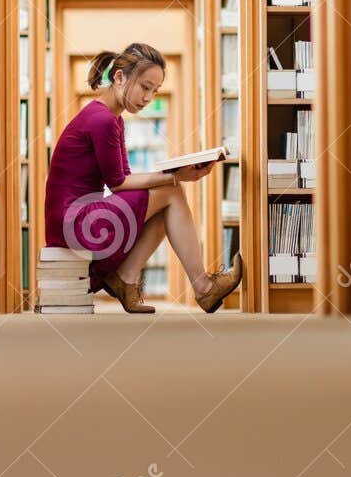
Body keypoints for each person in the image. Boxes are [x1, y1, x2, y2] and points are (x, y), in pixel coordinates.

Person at [44, 41, 243, 315]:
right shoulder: (101, 119)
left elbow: (123, 176)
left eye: (155, 90)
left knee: (168, 199)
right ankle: (203, 288)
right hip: (74, 224)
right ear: (119, 77)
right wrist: (177, 177)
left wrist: (175, 175)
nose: (148, 97)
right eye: (145, 87)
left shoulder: (113, 119)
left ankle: (126, 279)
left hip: (80, 219)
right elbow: (117, 183)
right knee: (171, 192)